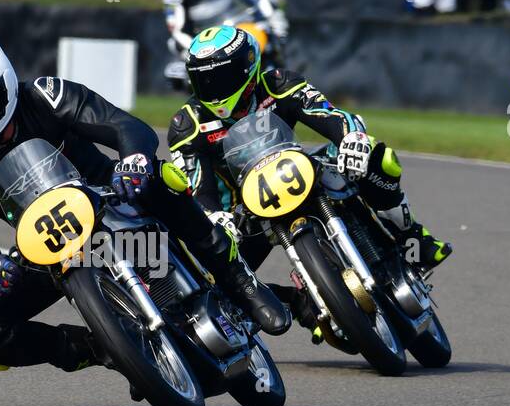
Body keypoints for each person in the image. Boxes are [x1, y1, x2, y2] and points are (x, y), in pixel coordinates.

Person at [0, 37, 290, 373]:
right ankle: (100, 347)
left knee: (162, 176)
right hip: (48, 243)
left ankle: (239, 280)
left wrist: (133, 160)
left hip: (110, 193)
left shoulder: (45, 96)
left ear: (6, 85)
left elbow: (123, 124)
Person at [167, 26, 451, 342]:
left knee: (378, 158)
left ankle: (413, 236)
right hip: (241, 212)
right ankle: (302, 303)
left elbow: (327, 113)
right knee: (216, 287)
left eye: (220, 77)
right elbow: (196, 184)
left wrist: (350, 138)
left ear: (247, 68)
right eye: (203, 79)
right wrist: (214, 217)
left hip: (299, 166)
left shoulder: (278, 84)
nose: (212, 87)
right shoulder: (188, 123)